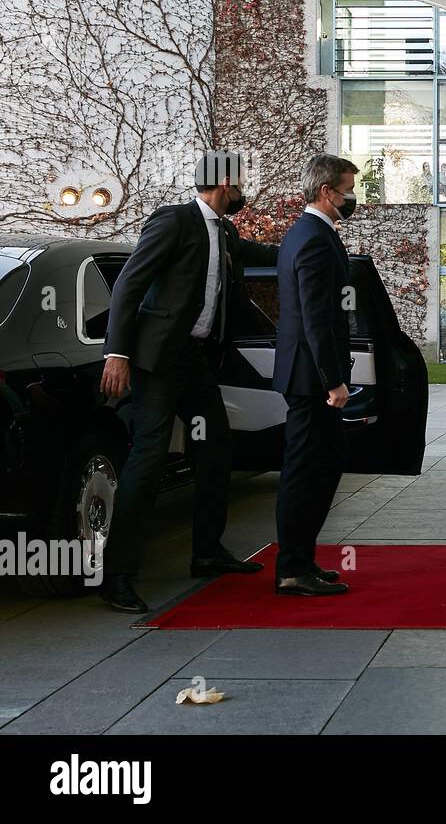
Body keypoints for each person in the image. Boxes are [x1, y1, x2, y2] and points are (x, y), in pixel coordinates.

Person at [97, 150, 276, 613]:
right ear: (223, 185)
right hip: (157, 361)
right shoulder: (173, 221)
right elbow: (129, 285)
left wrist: (313, 246)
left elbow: (262, 255)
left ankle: (207, 553)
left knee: (217, 447)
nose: (243, 193)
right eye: (239, 185)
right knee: (148, 458)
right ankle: (117, 575)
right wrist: (116, 352)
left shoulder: (226, 231)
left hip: (196, 361)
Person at [271, 154, 359, 597]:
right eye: (346, 189)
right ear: (327, 192)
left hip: (310, 375)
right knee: (305, 471)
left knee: (323, 464)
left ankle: (302, 559)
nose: (351, 198)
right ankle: (291, 568)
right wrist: (333, 380)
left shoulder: (311, 234)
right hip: (311, 379)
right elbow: (316, 318)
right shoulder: (313, 238)